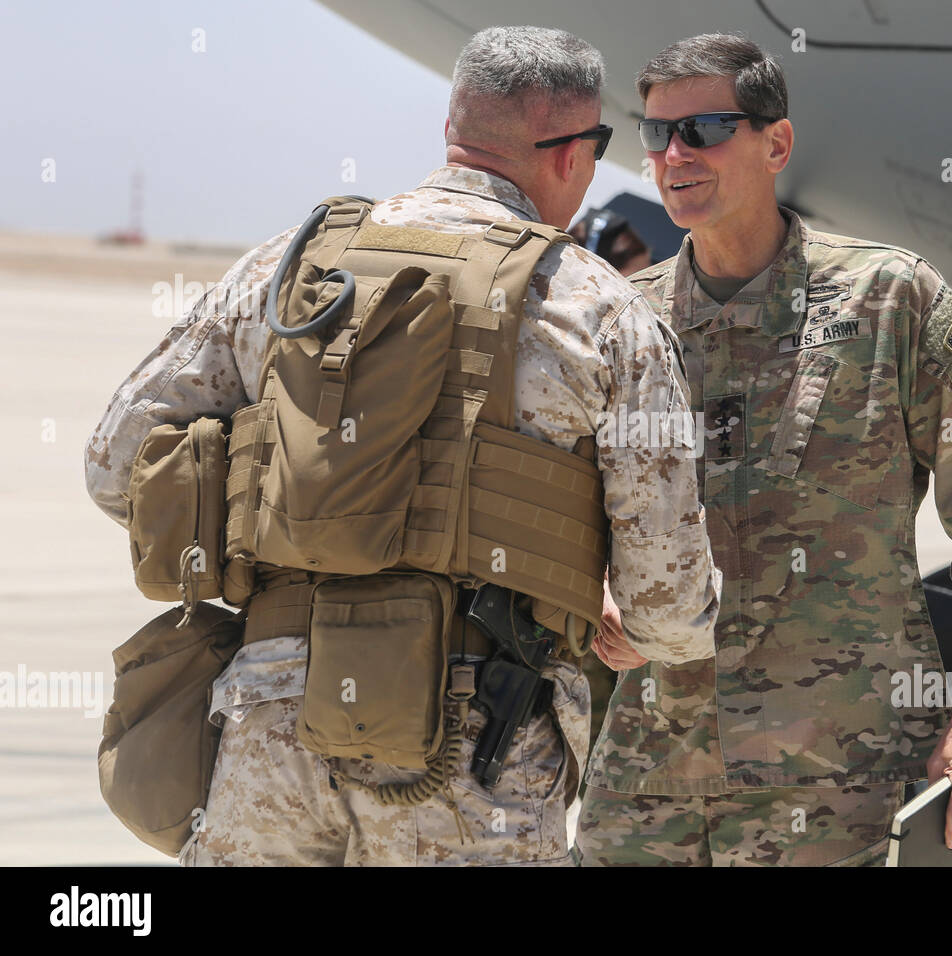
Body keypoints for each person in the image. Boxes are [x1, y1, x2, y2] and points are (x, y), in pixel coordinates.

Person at [84, 25, 720, 867]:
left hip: (271, 723)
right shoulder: (601, 311)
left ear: (455, 130)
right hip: (478, 744)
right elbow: (670, 609)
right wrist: (641, 627)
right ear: (570, 153)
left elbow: (115, 463)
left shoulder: (293, 265)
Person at [577, 33, 952, 867]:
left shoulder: (892, 303)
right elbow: (555, 501)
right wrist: (590, 589)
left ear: (777, 143)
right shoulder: (621, 320)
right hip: (650, 775)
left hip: (841, 777)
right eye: (657, 134)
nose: (674, 155)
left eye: (705, 129)